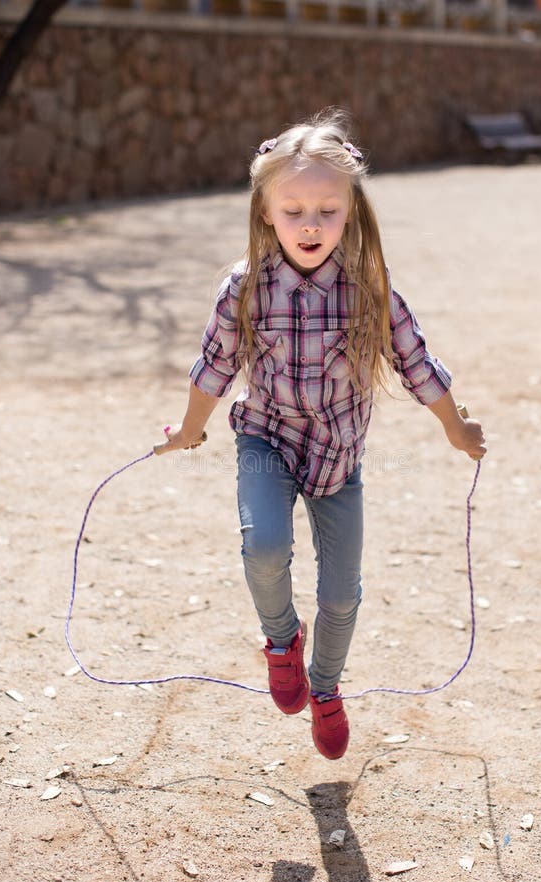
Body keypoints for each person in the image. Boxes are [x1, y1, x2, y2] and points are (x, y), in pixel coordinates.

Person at [155, 109, 486, 760]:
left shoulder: (368, 285)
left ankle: (326, 688)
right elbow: (215, 365)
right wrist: (189, 431)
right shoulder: (244, 288)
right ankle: (281, 640)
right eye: (294, 210)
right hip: (267, 438)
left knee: (341, 595)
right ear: (265, 214)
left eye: (327, 211)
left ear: (351, 212)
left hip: (337, 457)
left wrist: (456, 427)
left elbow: (414, 359)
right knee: (264, 547)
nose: (310, 225)